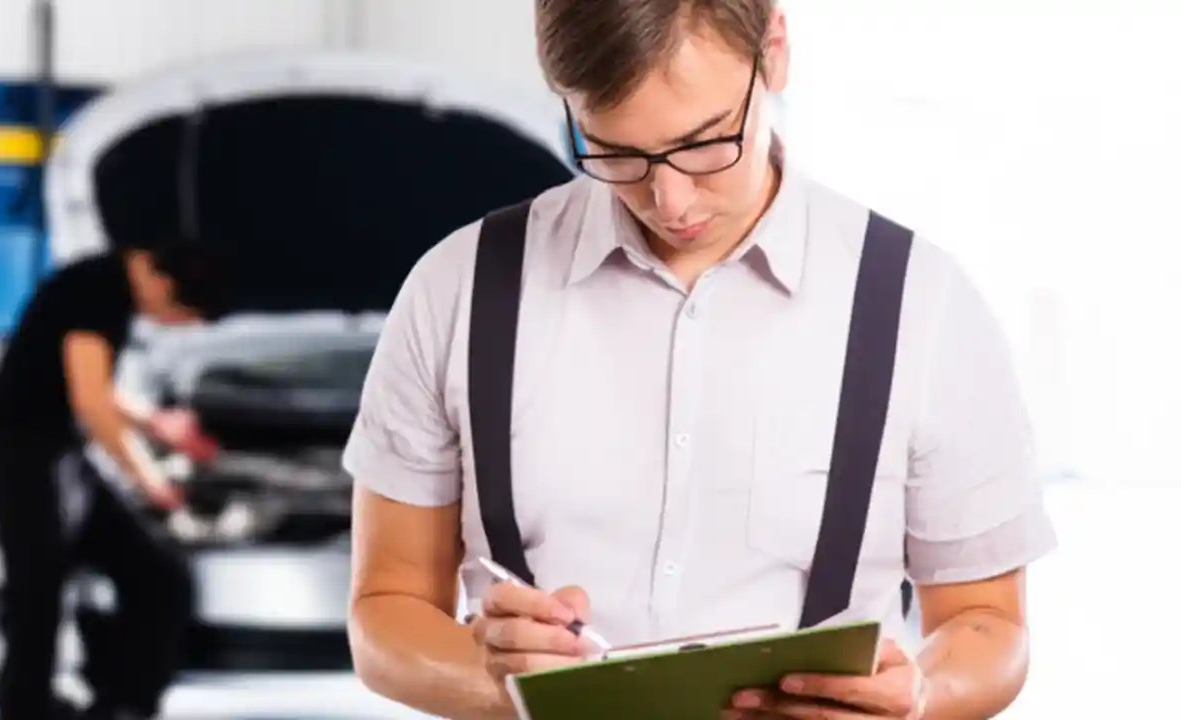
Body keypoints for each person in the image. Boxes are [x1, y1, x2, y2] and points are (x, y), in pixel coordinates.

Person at [345, 1, 1057, 718]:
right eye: (615, 152)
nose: (670, 199)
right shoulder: (457, 286)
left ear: (773, 49)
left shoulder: (922, 303)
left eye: (706, 143)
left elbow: (989, 623)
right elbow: (385, 612)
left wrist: (919, 698)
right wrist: (499, 685)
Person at [0, 242, 230, 720]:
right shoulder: (97, 289)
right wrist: (152, 484)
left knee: (158, 577)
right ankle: (26, 710)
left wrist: (158, 424)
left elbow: (95, 389)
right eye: (178, 316)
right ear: (162, 282)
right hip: (25, 453)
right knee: (38, 595)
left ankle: (123, 703)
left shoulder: (105, 288)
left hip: (58, 452)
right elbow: (90, 402)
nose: (169, 325)